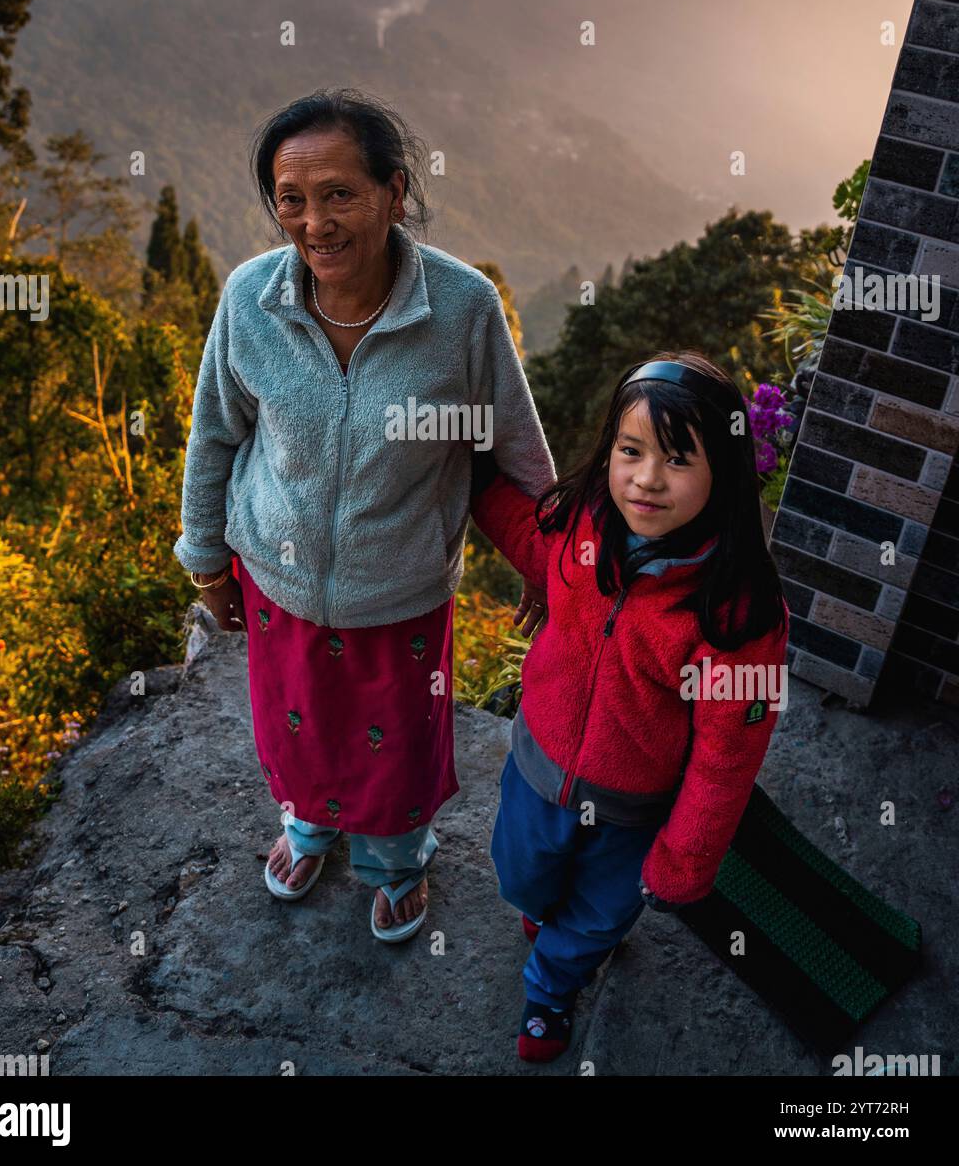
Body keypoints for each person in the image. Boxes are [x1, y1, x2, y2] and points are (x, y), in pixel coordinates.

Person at [173, 87, 554, 941]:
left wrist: (549, 563)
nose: (315, 224)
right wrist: (205, 561)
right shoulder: (250, 302)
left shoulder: (460, 310)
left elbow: (517, 454)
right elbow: (214, 437)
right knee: (297, 725)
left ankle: (394, 857)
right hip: (277, 577)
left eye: (340, 194)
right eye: (292, 200)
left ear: (395, 193)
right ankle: (308, 821)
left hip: (402, 591)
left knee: (398, 743)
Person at [469, 351, 790, 1060]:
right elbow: (529, 538)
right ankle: (543, 916)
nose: (646, 479)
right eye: (631, 451)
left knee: (597, 919)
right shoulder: (584, 528)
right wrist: (474, 477)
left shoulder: (736, 610)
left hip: (632, 808)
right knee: (521, 875)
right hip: (537, 769)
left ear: (725, 473)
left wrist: (686, 858)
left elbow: (727, 756)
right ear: (608, 450)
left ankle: (550, 993)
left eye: (678, 460)